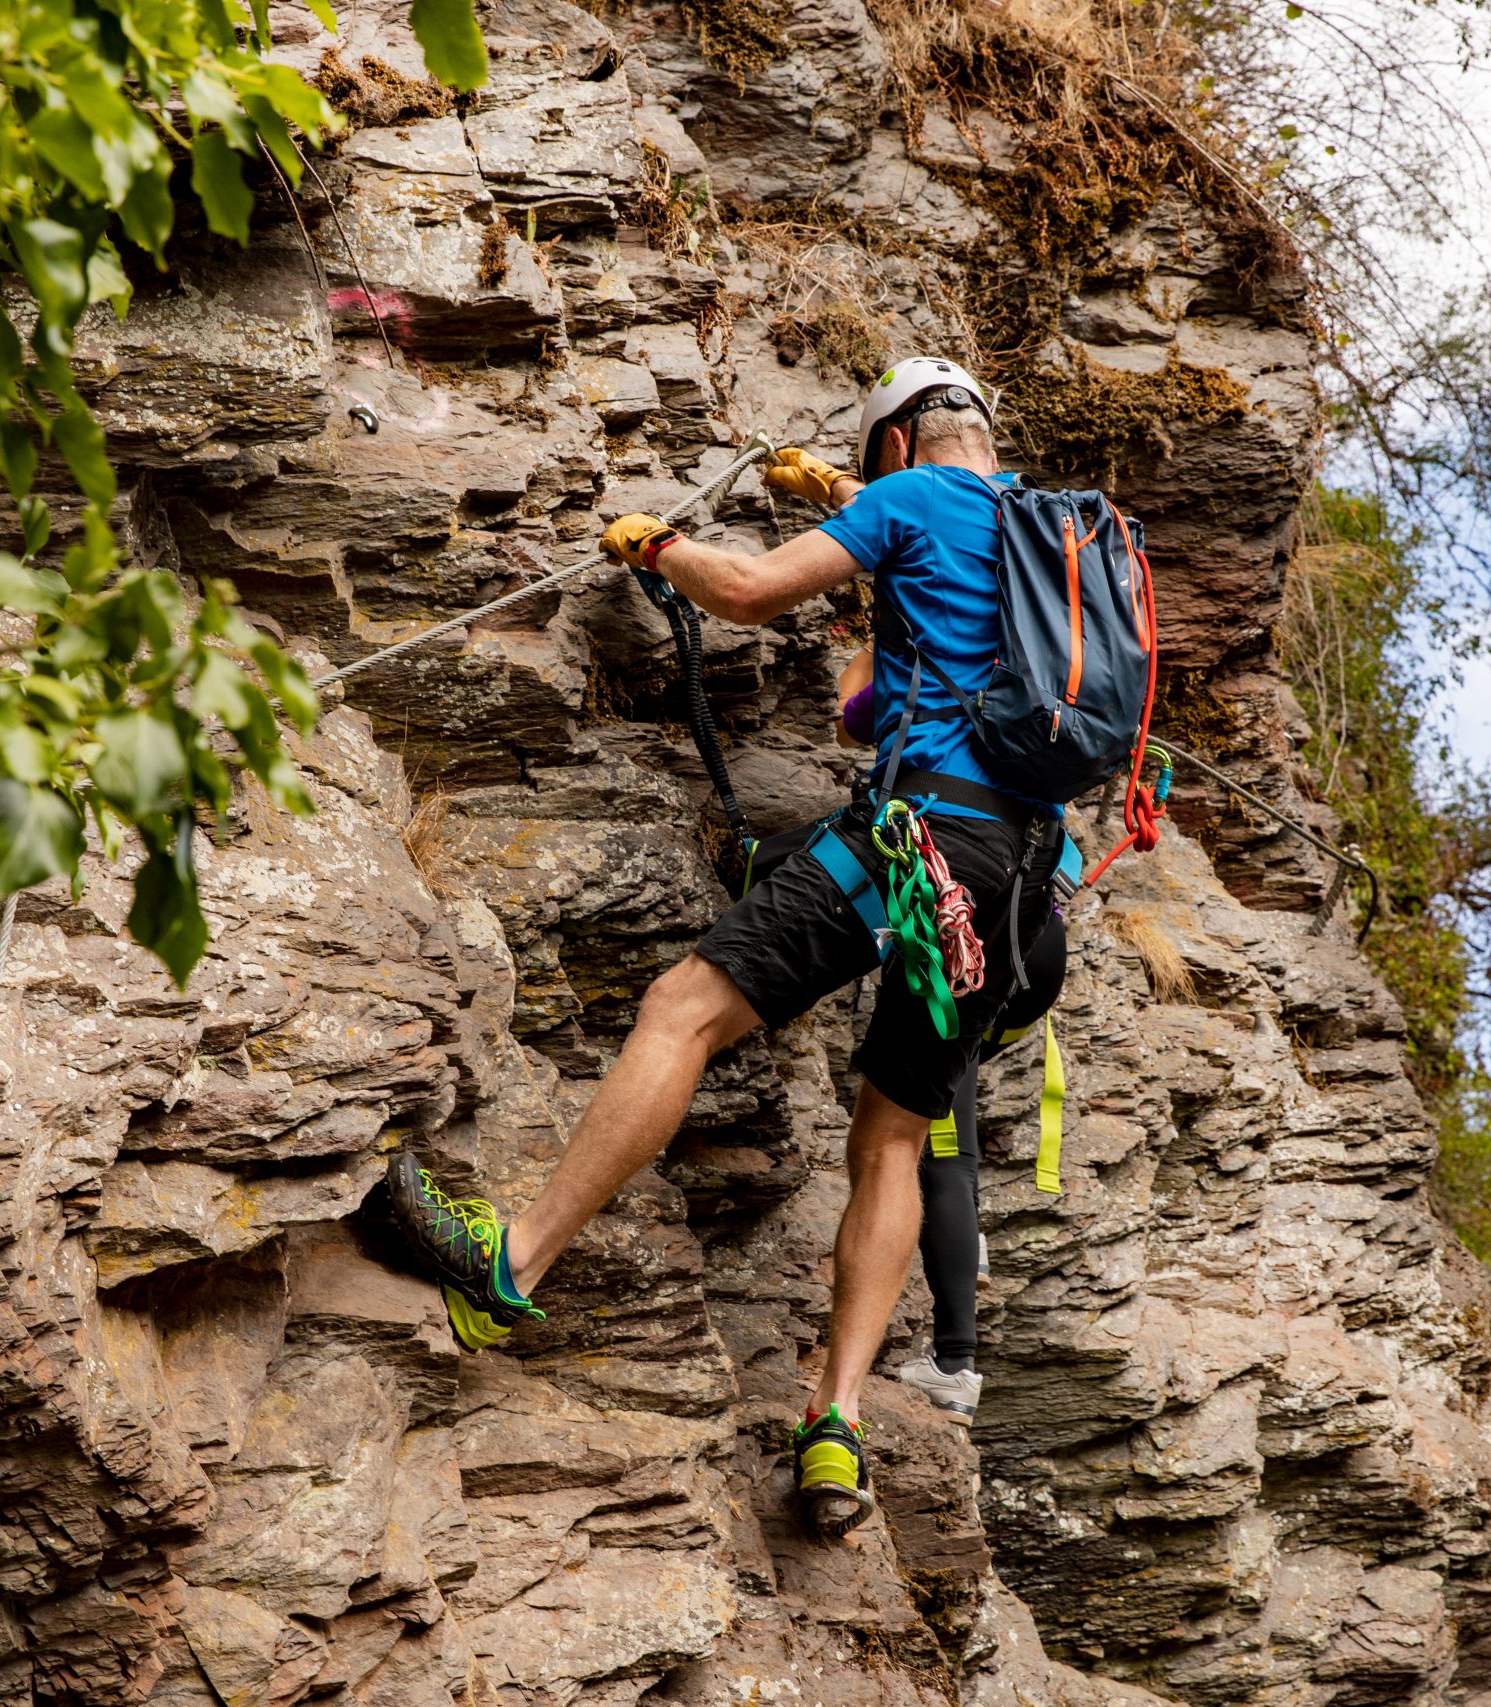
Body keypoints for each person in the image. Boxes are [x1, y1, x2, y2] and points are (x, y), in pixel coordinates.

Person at [385, 356, 1067, 1535]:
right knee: (894, 1140)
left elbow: (748, 593)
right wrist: (857, 537)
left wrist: (660, 549)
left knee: (683, 1009)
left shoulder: (909, 501)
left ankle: (514, 1267)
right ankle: (835, 1427)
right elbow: (892, 684)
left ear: (898, 445)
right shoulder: (1059, 541)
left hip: (916, 850)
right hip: (1024, 893)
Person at [896, 916, 1065, 1426]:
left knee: (942, 1153)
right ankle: (969, 1253)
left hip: (969, 949)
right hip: (1038, 952)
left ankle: (953, 1364)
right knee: (954, 1137)